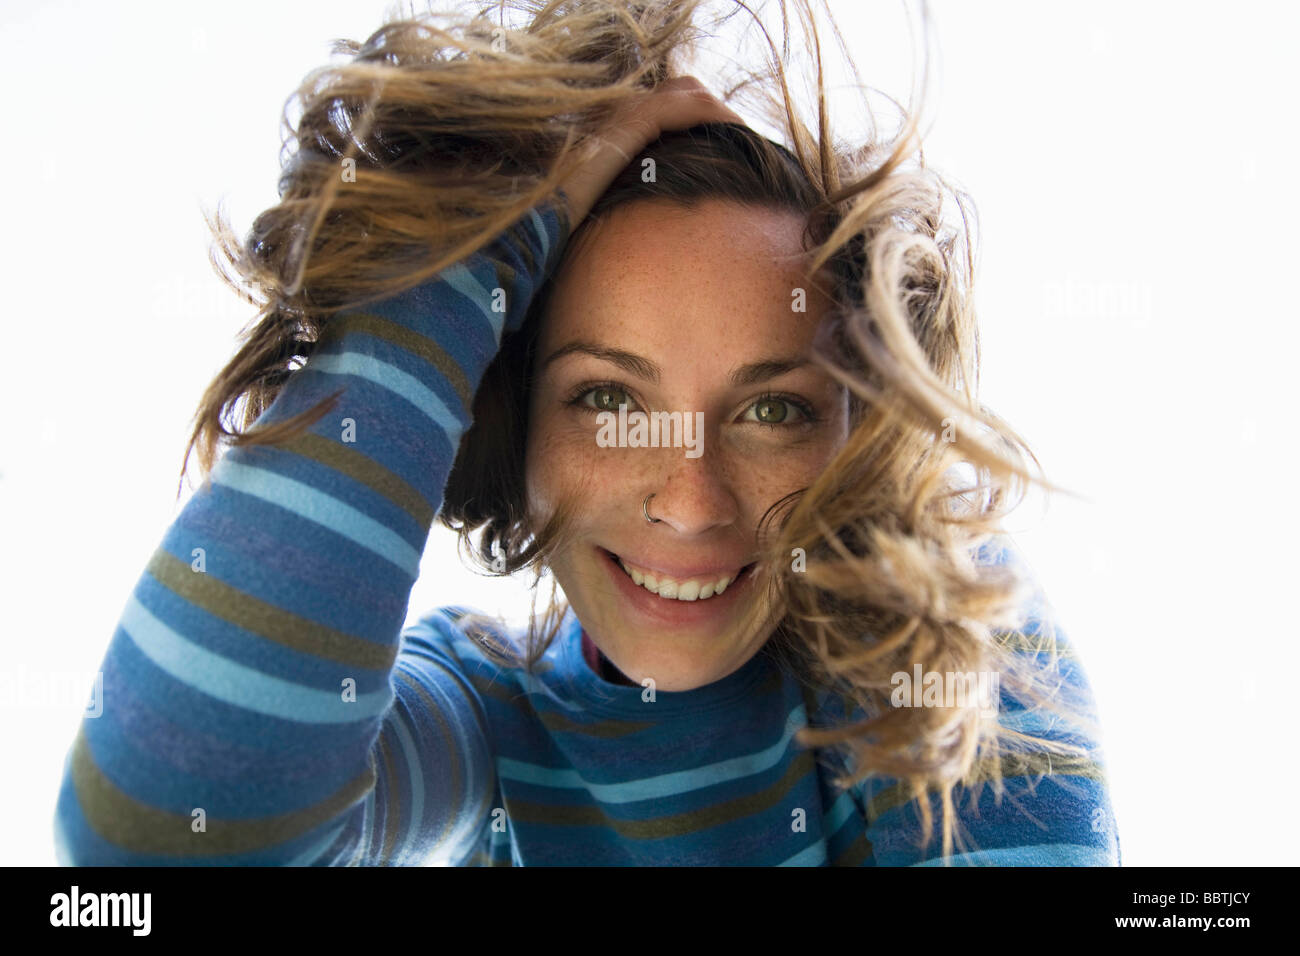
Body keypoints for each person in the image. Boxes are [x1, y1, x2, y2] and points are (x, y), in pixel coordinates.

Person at [53, 0, 1121, 865]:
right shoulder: (483, 711)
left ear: (859, 434)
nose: (691, 498)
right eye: (608, 399)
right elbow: (153, 839)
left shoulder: (939, 645)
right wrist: (464, 271)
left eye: (772, 409)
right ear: (507, 412)